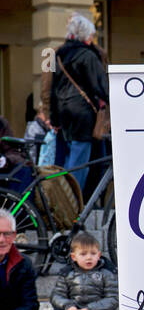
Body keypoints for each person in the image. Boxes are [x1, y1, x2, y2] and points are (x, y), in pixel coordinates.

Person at [48, 13, 107, 194]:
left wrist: (54, 119)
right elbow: (101, 86)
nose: (92, 38)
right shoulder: (87, 56)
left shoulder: (58, 55)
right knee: (80, 162)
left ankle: (63, 195)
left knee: (68, 159)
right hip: (83, 114)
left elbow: (53, 89)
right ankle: (72, 200)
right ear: (84, 35)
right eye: (90, 35)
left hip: (64, 113)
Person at [48, 231, 117, 310]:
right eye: (83, 254)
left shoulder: (106, 274)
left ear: (99, 255)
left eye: (93, 253)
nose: (89, 258)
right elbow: (56, 295)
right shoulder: (67, 274)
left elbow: (113, 298)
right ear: (74, 257)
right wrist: (68, 306)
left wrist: (90, 309)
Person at [0, 210, 37, 310]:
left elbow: (30, 306)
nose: (1, 240)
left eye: (6, 234)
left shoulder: (24, 264)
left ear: (14, 236)